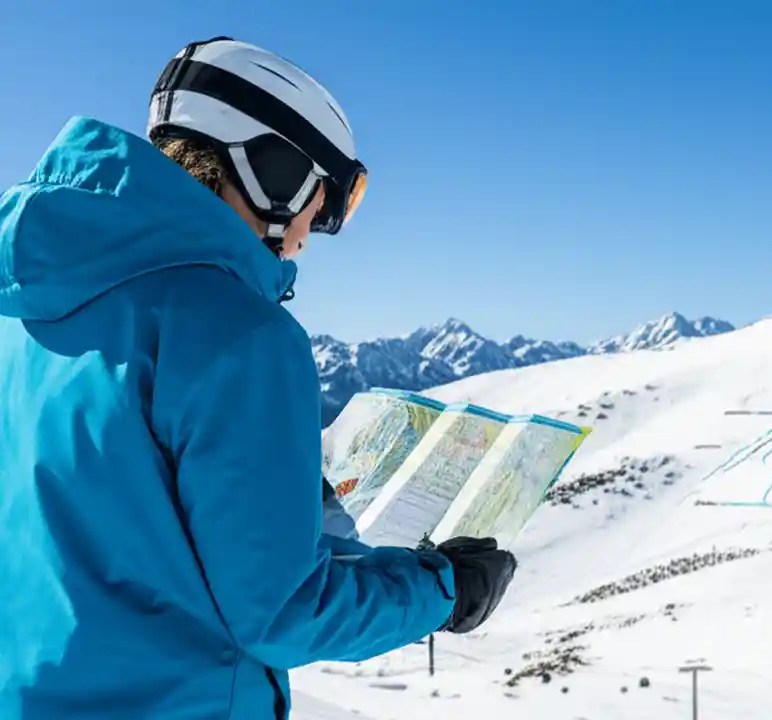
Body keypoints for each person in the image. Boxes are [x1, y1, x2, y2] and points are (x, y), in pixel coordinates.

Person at [0, 37, 516, 719]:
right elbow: (284, 615)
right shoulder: (239, 333)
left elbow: (119, 516)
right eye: (326, 202)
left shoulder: (25, 308)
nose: (314, 232)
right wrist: (446, 590)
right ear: (274, 172)